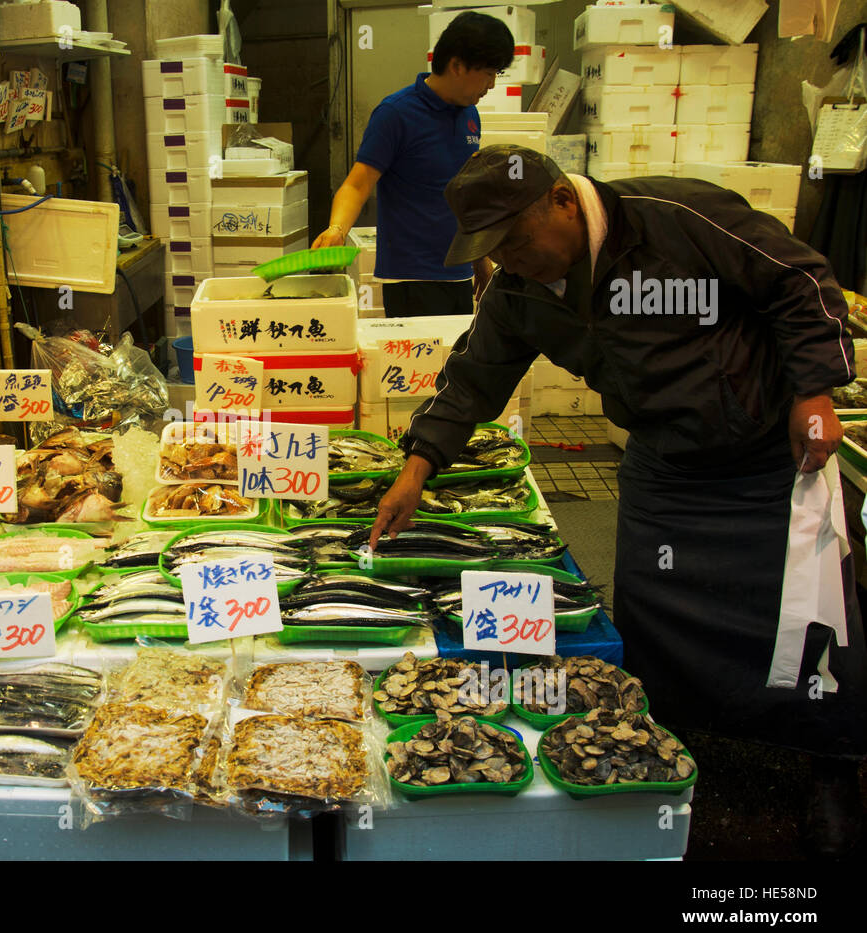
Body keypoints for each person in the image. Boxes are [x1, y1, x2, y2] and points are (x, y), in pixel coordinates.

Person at [368, 145, 866, 857]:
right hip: (663, 466)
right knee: (655, 619)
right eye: (492, 250)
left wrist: (816, 390)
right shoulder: (520, 289)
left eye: (514, 239)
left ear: (564, 204)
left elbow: (800, 279)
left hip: (767, 457)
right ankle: (658, 752)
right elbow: (473, 376)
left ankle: (832, 769)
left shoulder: (675, 218)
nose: (508, 259)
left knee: (814, 625)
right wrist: (418, 465)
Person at [311, 11, 514, 317]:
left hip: (459, 274)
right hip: (412, 278)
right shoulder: (396, 113)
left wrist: (480, 258)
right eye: (488, 72)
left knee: (458, 362)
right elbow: (358, 182)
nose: (493, 84)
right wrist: (337, 229)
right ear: (456, 65)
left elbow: (466, 194)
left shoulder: (470, 115)